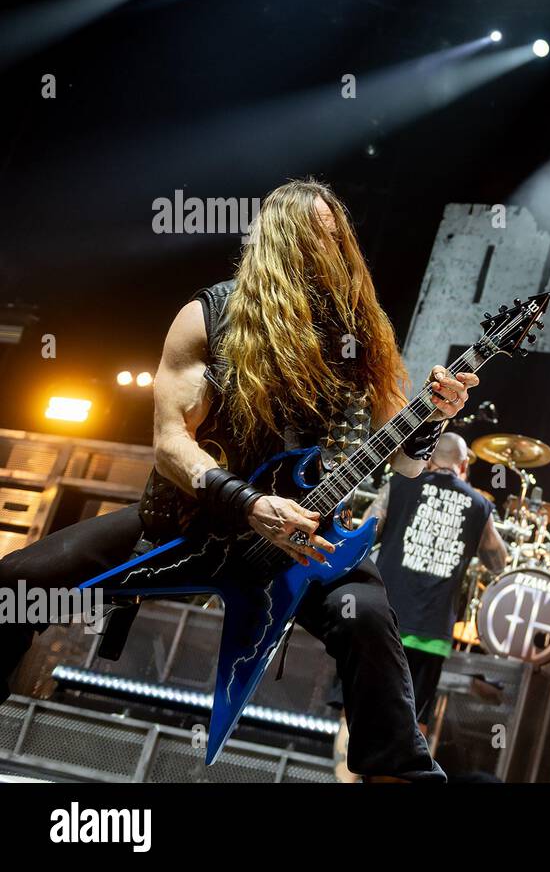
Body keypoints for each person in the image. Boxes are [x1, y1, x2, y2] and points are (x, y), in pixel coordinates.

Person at [0, 178, 477, 782]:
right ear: (279, 244)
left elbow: (407, 460)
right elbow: (171, 442)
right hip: (193, 522)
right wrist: (249, 504)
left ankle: (402, 775)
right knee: (14, 585)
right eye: (316, 242)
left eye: (339, 242)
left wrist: (433, 414)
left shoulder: (358, 333)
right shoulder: (212, 315)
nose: (332, 255)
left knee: (367, 618)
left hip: (301, 532)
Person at [366, 431, 507, 734]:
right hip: (430, 633)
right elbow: (498, 564)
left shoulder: (399, 483)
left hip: (382, 621)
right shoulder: (479, 505)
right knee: (411, 728)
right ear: (465, 464)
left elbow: (364, 536)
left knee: (356, 713)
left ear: (428, 458)